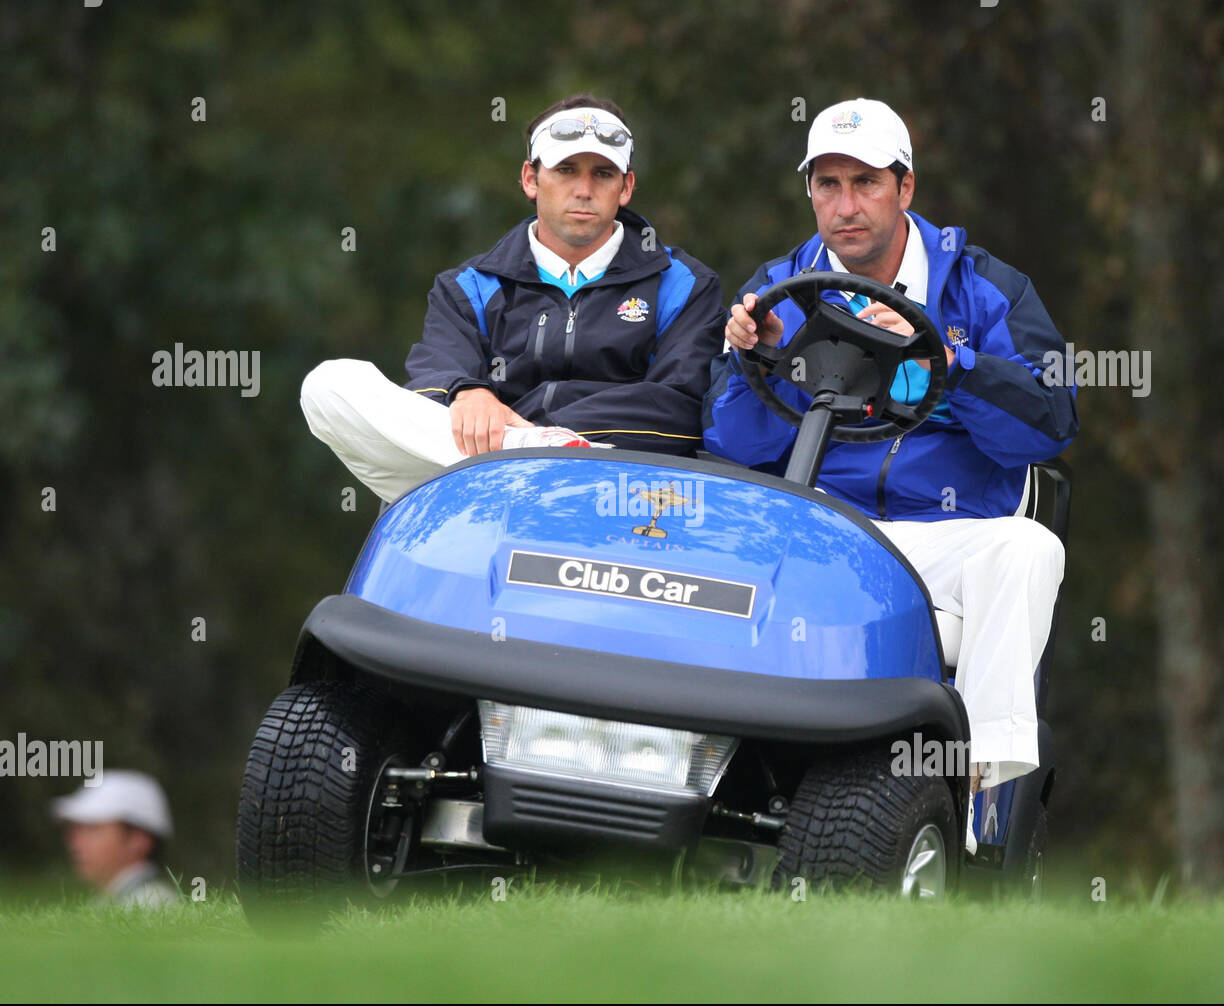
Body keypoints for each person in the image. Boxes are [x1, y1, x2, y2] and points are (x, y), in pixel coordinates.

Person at [703, 99, 1079, 852]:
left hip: (947, 539)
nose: (845, 206)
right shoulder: (779, 285)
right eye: (828, 185)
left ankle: (984, 810)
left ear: (905, 188)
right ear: (808, 191)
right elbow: (730, 444)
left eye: (865, 182)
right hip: (827, 529)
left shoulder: (984, 289)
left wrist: (953, 362)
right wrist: (757, 361)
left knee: (1031, 549)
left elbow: (1048, 422)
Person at [301, 93, 724, 502]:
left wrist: (549, 429)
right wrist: (468, 392)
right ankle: (518, 458)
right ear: (530, 179)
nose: (583, 189)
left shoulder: (685, 284)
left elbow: (681, 407)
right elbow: (433, 379)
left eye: (603, 174)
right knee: (328, 384)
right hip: (485, 477)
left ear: (625, 187)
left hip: (615, 487)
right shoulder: (467, 285)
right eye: (566, 170)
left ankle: (526, 454)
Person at [51, 770, 178, 908]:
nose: (76, 842)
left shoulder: (152, 905)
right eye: (76, 829)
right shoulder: (115, 902)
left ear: (139, 839)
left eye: (93, 829)